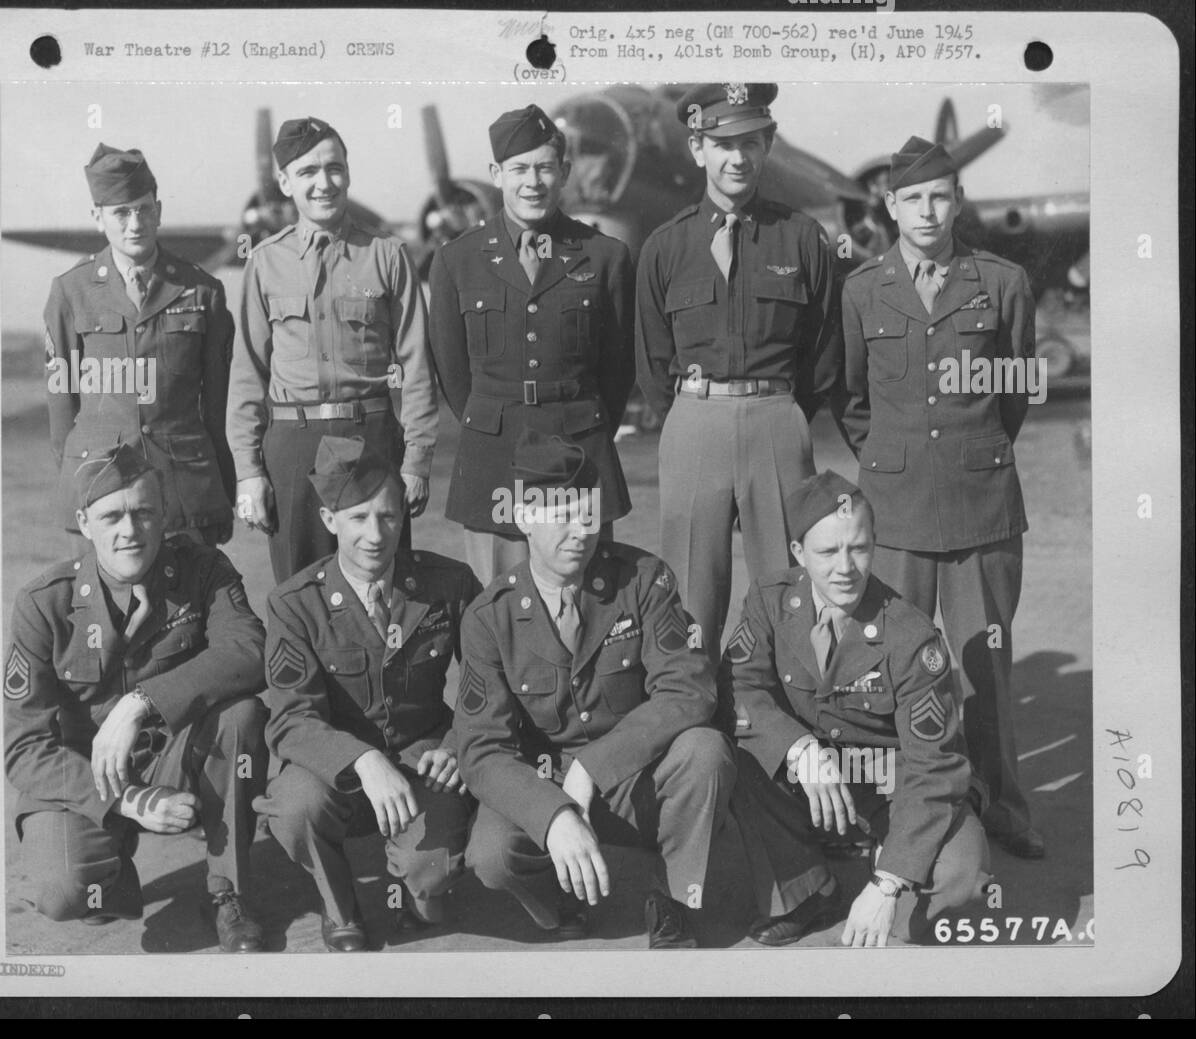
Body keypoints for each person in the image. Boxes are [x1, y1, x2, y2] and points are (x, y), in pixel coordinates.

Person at [836, 136, 1042, 859]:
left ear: (958, 201)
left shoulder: (1002, 282)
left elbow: (1015, 389)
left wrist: (969, 446)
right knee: (889, 669)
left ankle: (1004, 807)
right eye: (912, 198)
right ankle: (887, 810)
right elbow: (851, 399)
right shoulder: (862, 289)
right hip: (894, 511)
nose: (927, 210)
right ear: (890, 206)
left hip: (982, 503)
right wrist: (894, 459)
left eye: (940, 196)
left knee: (985, 665)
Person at [455, 430, 734, 948]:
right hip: (544, 779)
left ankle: (669, 897)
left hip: (629, 776)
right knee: (491, 856)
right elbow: (481, 750)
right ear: (522, 519)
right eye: (560, 515)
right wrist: (553, 813)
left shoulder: (644, 580)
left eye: (587, 513)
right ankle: (561, 893)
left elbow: (690, 689)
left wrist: (593, 766)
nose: (580, 530)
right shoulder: (489, 616)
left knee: (706, 752)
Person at [3, 445, 269, 951]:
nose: (130, 530)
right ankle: (110, 862)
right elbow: (24, 748)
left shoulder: (203, 571)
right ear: (83, 522)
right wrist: (124, 801)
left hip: (173, 754)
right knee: (64, 893)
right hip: (87, 773)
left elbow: (249, 650)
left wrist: (141, 701)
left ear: (163, 514)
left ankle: (229, 892)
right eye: (112, 516)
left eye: (144, 512)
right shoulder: (45, 604)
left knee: (241, 715)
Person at [720, 471, 989, 946]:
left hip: (887, 780)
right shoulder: (770, 600)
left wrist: (889, 883)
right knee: (731, 755)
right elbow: (738, 687)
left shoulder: (911, 635)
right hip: (807, 773)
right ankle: (806, 891)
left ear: (874, 545)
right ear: (799, 554)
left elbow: (934, 766)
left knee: (959, 882)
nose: (845, 567)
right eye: (827, 552)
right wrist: (797, 747)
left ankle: (885, 862)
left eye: (859, 548)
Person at [635, 83, 842, 663]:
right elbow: (651, 359)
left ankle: (786, 730)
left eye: (751, 142)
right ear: (697, 148)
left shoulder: (802, 238)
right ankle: (693, 728)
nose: (738, 158)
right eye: (722, 143)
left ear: (768, 144)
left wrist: (784, 413)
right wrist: (689, 412)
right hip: (694, 421)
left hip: (777, 424)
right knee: (690, 595)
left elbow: (823, 349)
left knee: (789, 587)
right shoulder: (665, 246)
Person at [256, 436, 482, 952]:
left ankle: (421, 892)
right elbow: (291, 721)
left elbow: (487, 683)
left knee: (430, 873)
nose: (376, 535)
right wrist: (362, 760)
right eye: (358, 518)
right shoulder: (295, 604)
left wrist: (458, 743)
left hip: (424, 754)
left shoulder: (448, 583)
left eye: (387, 516)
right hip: (334, 763)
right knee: (293, 810)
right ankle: (339, 908)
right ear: (329, 520)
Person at [428, 104, 634, 585]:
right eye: (519, 168)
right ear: (497, 174)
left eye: (545, 167)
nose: (533, 182)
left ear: (564, 172)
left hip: (580, 457)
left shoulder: (605, 257)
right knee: (503, 613)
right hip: (494, 459)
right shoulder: (458, 260)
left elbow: (618, 370)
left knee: (587, 606)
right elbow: (453, 375)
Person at [227, 116, 438, 583]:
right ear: (284, 182)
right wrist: (248, 472)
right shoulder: (264, 263)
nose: (324, 183)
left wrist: (417, 461)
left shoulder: (387, 255)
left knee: (383, 583)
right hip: (293, 447)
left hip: (373, 440)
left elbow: (418, 366)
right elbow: (247, 375)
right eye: (307, 173)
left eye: (334, 168)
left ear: (348, 172)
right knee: (299, 590)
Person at [44, 144, 236, 546]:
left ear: (159, 211)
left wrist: (220, 490)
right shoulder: (71, 291)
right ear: (98, 217)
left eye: (144, 210)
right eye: (121, 213)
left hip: (184, 489)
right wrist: (81, 486)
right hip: (105, 490)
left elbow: (214, 411)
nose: (135, 224)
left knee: (190, 603)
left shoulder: (203, 291)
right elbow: (63, 406)